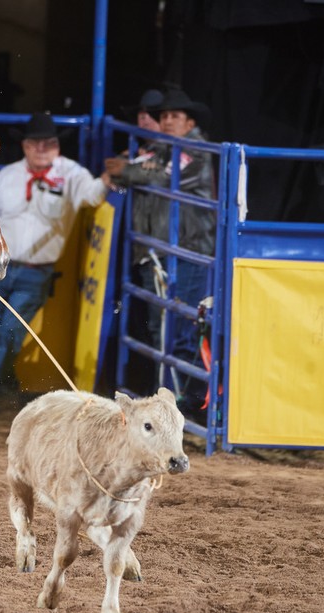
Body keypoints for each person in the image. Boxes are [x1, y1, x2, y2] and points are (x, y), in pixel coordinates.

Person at [0, 113, 112, 411]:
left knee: (9, 328)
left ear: (57, 146)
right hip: (0, 266)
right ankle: (6, 383)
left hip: (36, 271)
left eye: (48, 143)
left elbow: (92, 195)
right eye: (35, 143)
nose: (41, 149)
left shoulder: (71, 174)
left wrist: (108, 180)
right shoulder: (8, 177)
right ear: (25, 146)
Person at [104, 88, 215, 415]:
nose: (167, 121)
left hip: (188, 252)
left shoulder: (194, 150)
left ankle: (184, 403)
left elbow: (166, 179)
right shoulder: (165, 149)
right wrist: (128, 168)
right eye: (163, 116)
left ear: (189, 123)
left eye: (174, 116)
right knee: (162, 327)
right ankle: (171, 399)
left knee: (178, 328)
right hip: (167, 252)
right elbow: (150, 171)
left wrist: (125, 170)